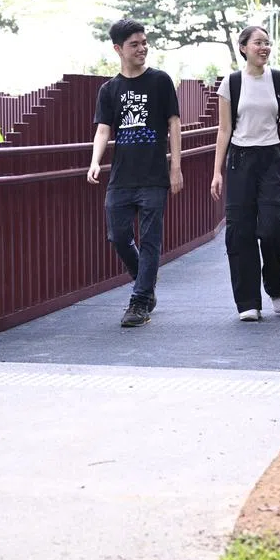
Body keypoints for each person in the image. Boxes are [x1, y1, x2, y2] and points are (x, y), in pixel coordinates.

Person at [87, 19, 183, 328]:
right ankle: (145, 277)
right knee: (117, 236)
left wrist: (175, 166)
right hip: (121, 177)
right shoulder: (109, 89)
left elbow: (174, 124)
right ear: (118, 49)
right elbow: (103, 130)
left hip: (154, 176)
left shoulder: (160, 81)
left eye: (144, 43)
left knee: (151, 239)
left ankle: (140, 301)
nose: (142, 48)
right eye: (134, 44)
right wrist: (95, 161)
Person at [210, 25, 280, 321]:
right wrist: (217, 172)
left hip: (271, 159)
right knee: (240, 232)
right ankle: (248, 302)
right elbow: (224, 130)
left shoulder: (279, 80)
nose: (264, 48)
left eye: (267, 43)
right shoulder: (231, 83)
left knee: (273, 227)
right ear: (243, 48)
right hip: (240, 160)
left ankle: (276, 287)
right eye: (258, 43)